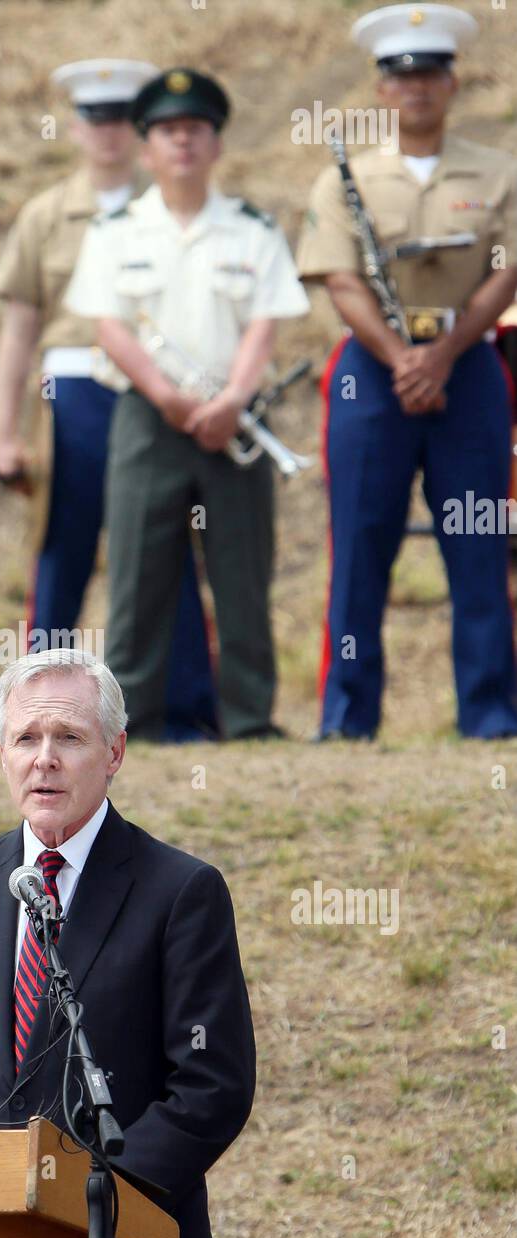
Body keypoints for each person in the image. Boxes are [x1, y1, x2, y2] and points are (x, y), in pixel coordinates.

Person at [0, 647, 255, 1238]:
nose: (43, 758)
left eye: (68, 738)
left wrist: (84, 1201)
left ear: (113, 752)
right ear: (2, 753)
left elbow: (210, 1085)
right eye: (25, 737)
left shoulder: (180, 891)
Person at [64, 69, 309, 742]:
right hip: (149, 416)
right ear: (146, 149)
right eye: (167, 133)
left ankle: (250, 718)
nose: (182, 144)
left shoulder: (251, 229)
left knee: (241, 572)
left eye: (194, 131)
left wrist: (231, 397)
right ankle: (131, 725)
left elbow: (265, 322)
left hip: (236, 418)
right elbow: (107, 327)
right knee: (138, 576)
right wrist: (167, 396)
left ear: (215, 144)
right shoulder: (116, 230)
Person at [296, 4, 517, 740]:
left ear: (452, 83)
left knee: (479, 548)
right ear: (381, 90)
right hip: (372, 374)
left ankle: (488, 717)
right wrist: (404, 360)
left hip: (469, 367)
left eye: (430, 73)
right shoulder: (343, 178)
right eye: (402, 75)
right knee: (359, 548)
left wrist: (444, 352)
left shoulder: (498, 171)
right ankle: (347, 719)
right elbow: (340, 280)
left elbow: (506, 269)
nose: (417, 86)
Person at [0, 59, 219, 741]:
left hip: (150, 393)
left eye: (122, 118)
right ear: (77, 126)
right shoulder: (45, 214)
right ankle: (35, 719)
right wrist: (4, 431)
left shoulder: (172, 212)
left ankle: (179, 712)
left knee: (162, 552)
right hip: (72, 395)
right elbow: (18, 330)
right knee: (61, 550)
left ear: (139, 129)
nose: (108, 132)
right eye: (94, 117)